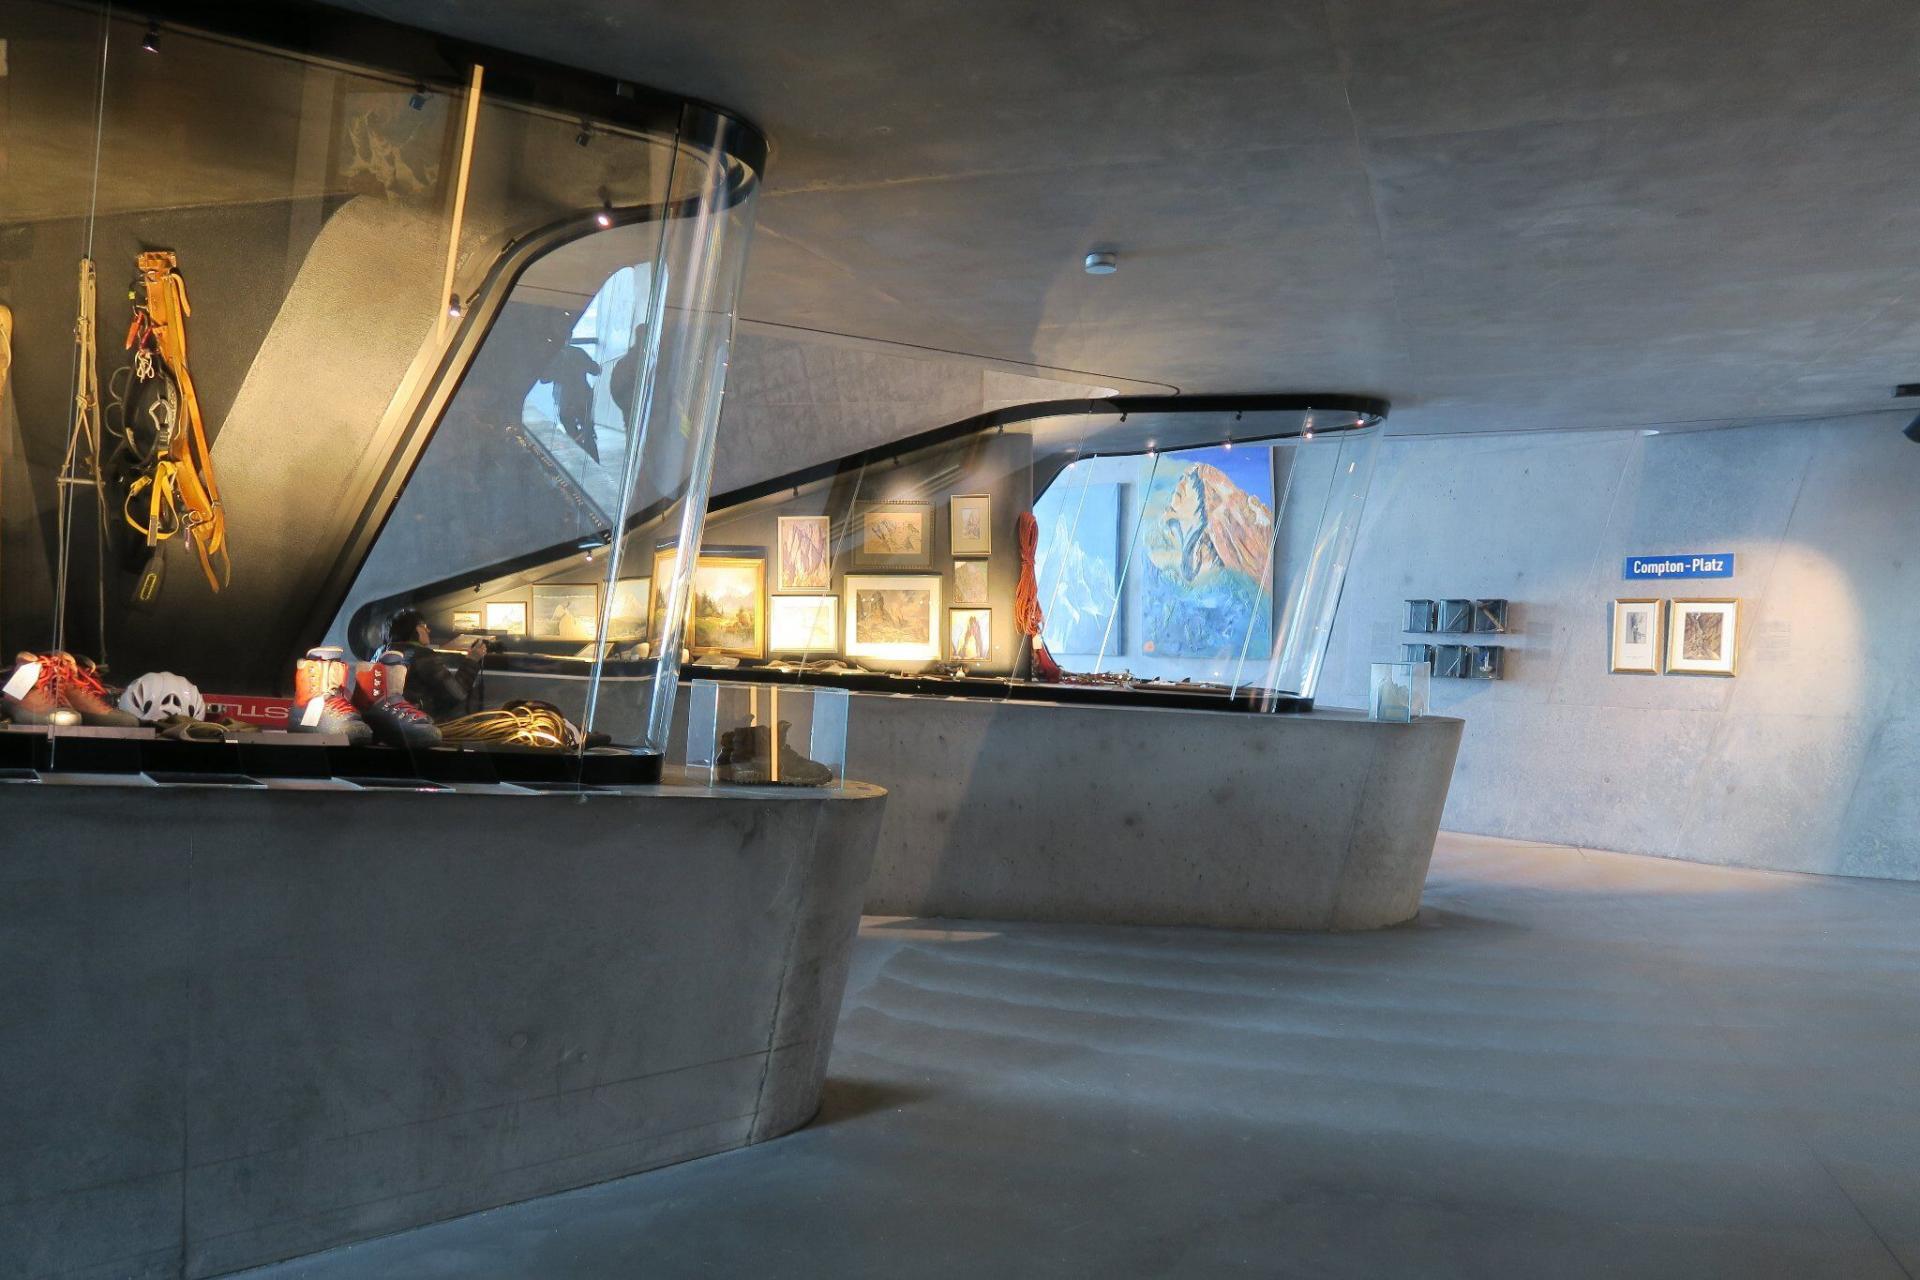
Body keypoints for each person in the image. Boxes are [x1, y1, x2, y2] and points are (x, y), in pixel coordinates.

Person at [386, 608, 486, 720]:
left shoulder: (382, 652)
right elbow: (457, 693)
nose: (428, 630)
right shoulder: (423, 656)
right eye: (425, 627)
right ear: (418, 629)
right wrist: (472, 660)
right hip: (418, 722)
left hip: (391, 720)